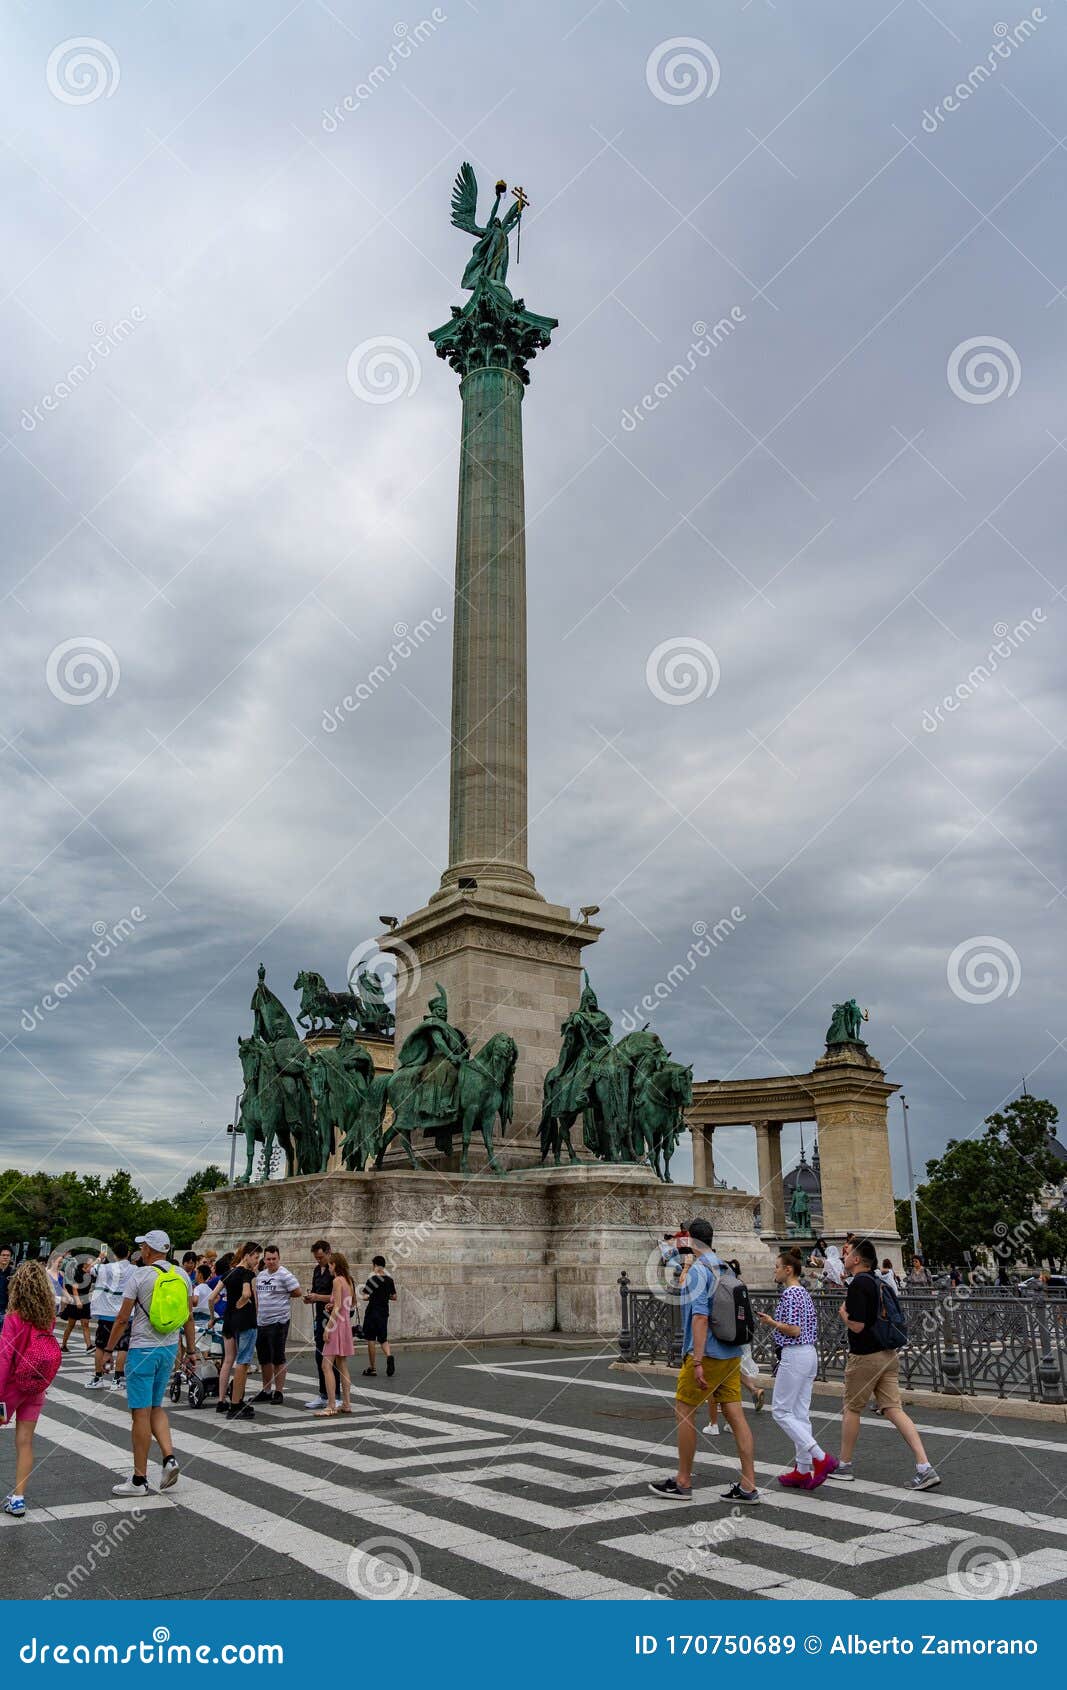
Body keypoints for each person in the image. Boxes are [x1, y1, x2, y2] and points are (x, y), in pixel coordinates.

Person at [648, 1216, 759, 1504]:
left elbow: (699, 1317)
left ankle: (683, 1481)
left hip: (707, 1354)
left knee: (684, 1411)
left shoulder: (699, 1270)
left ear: (690, 1240)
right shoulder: (723, 1265)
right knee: (735, 1415)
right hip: (731, 1353)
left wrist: (696, 1361)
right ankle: (748, 1485)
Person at [828, 1237, 940, 1490]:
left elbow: (857, 1325)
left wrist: (843, 1314)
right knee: (893, 1409)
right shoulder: (878, 1281)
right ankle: (924, 1466)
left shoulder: (859, 1284)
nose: (843, 1258)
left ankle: (844, 1465)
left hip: (865, 1356)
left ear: (857, 1259)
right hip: (888, 1354)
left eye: (846, 1254)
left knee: (852, 1408)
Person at [101, 1231, 196, 1496]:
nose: (141, 1250)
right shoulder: (182, 1275)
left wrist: (108, 1350)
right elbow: (188, 1317)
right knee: (156, 1406)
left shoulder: (140, 1276)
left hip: (142, 1349)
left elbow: (122, 1319)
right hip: (168, 1349)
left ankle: (139, 1480)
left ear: (147, 1250)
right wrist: (191, 1351)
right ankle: (169, 1458)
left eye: (142, 1246)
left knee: (139, 1413)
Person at [759, 1246, 837, 1488]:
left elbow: (794, 1329)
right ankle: (803, 1469)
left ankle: (821, 1458)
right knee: (800, 1413)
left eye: (776, 1266)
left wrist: (771, 1322)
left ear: (788, 1269)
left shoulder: (790, 1294)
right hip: (808, 1353)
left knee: (781, 1411)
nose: (775, 1270)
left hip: (794, 1354)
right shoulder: (803, 1292)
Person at [0, 1261, 63, 1516]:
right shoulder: (48, 1317)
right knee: (25, 1442)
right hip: (35, 1387)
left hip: (11, 1389)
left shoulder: (14, 1318)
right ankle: (18, 1498)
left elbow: (5, 1358)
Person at [704, 1259, 764, 1435]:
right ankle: (731, 1422)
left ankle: (714, 1424)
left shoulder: (718, 1287)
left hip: (718, 1342)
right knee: (731, 1385)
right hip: (738, 1339)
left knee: (713, 1386)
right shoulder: (738, 1285)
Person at [253, 1245, 301, 1405]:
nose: (271, 1262)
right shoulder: (261, 1275)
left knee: (278, 1357)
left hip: (278, 1321)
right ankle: (266, 1390)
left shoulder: (285, 1274)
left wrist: (282, 1296)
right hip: (262, 1321)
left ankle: (278, 1391)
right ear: (264, 1260)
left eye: (274, 1259)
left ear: (278, 1258)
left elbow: (297, 1291)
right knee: (264, 1358)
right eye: (268, 1259)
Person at [218, 1241, 260, 1420]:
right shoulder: (248, 1273)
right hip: (246, 1320)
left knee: (232, 1360)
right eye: (256, 1257)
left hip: (231, 1321)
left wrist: (213, 1317)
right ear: (247, 1256)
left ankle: (229, 1400)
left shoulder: (228, 1273)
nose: (257, 1261)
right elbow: (247, 1293)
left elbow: (212, 1297)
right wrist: (242, 1303)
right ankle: (235, 1404)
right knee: (243, 1363)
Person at [86, 1242, 131, 1389]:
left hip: (105, 1314)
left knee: (100, 1346)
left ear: (114, 1255)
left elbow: (89, 1269)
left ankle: (98, 1377)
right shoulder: (134, 1269)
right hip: (125, 1313)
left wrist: (100, 1257)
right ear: (128, 1253)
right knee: (123, 1347)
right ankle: (117, 1380)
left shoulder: (105, 1267)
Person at [318, 1251, 355, 1416]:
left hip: (336, 1324)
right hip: (346, 1324)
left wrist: (328, 1327)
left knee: (326, 1365)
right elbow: (351, 1304)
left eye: (330, 1265)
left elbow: (339, 1306)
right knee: (342, 1365)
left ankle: (331, 1405)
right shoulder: (349, 1281)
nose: (329, 1268)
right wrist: (331, 1305)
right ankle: (346, 1403)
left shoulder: (336, 1281)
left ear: (335, 1265)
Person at [301, 1239, 335, 1410]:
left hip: (333, 1318)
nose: (319, 1260)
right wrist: (310, 1299)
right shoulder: (317, 1270)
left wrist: (317, 1297)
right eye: (316, 1258)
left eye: (321, 1257)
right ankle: (324, 1394)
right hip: (320, 1316)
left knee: (331, 1358)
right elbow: (317, 1291)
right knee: (319, 1355)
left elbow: (338, 1297)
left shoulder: (335, 1271)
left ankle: (334, 1395)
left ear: (329, 1253)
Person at [360, 1255, 396, 1378]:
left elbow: (364, 1296)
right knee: (383, 1338)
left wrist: (372, 1297)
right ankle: (389, 1356)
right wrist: (385, 1296)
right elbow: (394, 1297)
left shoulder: (372, 1280)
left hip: (372, 1312)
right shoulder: (389, 1280)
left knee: (371, 1339)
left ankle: (372, 1368)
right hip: (383, 1312)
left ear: (375, 1265)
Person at [58, 1254, 92, 1354]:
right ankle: (63, 1345)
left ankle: (89, 1346)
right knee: (71, 1325)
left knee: (85, 1323)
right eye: (89, 1262)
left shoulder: (89, 1274)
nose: (91, 1264)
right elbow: (74, 1288)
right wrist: (77, 1301)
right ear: (84, 1264)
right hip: (76, 1300)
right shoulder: (78, 1274)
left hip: (85, 1301)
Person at [0, 1245, 13, 1335]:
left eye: (8, 1255)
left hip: (6, 1309)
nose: (5, 1257)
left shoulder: (14, 1273)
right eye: (3, 1255)